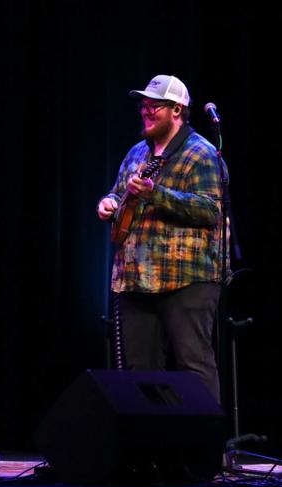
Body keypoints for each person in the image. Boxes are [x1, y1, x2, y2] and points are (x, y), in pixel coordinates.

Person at [97, 75, 226, 400]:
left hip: (186, 279)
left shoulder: (201, 153)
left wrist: (157, 193)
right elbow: (117, 194)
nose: (146, 111)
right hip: (136, 280)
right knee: (140, 374)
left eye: (155, 106)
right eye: (144, 105)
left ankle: (203, 448)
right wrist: (108, 203)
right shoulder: (137, 153)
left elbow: (210, 209)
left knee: (193, 365)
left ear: (177, 110)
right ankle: (151, 449)